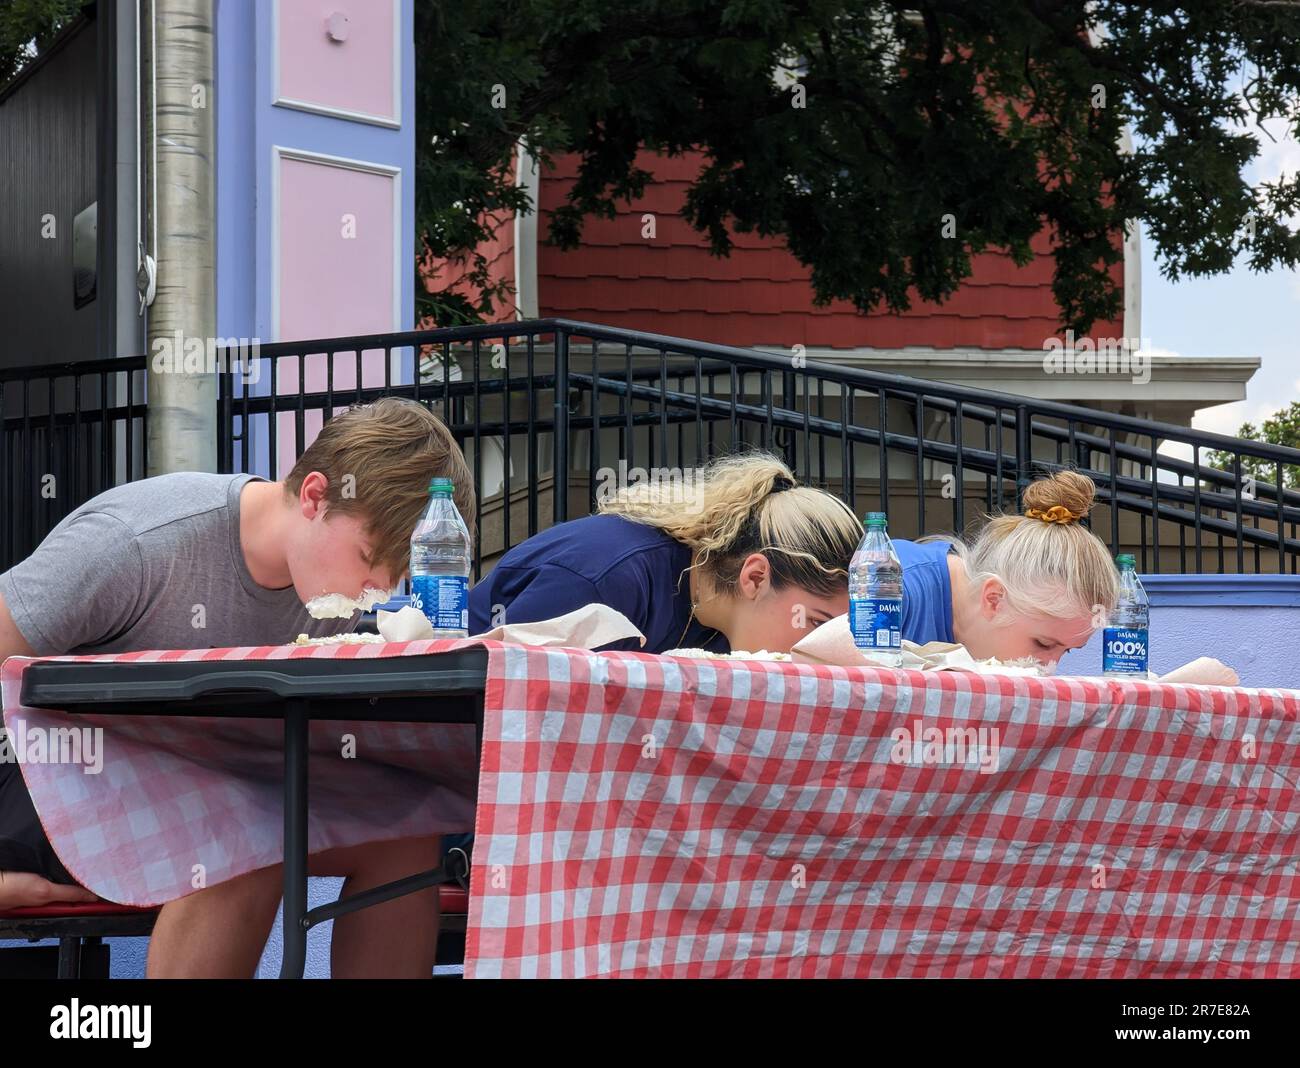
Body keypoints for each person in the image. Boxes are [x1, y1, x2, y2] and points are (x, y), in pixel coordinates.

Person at [0, 397, 475, 978]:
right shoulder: (137, 542)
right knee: (248, 826)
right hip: (53, 789)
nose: (378, 590)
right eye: (370, 558)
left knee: (402, 838)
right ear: (314, 496)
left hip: (199, 784)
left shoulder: (329, 592)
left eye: (393, 575)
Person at [470, 453, 863, 654]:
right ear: (755, 577)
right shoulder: (606, 579)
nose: (824, 646)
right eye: (815, 622)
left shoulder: (725, 623)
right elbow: (517, 704)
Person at [892, 469, 1118, 669]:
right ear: (993, 599)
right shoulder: (892, 583)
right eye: (1044, 643)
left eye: (1066, 650)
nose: (1049, 668)